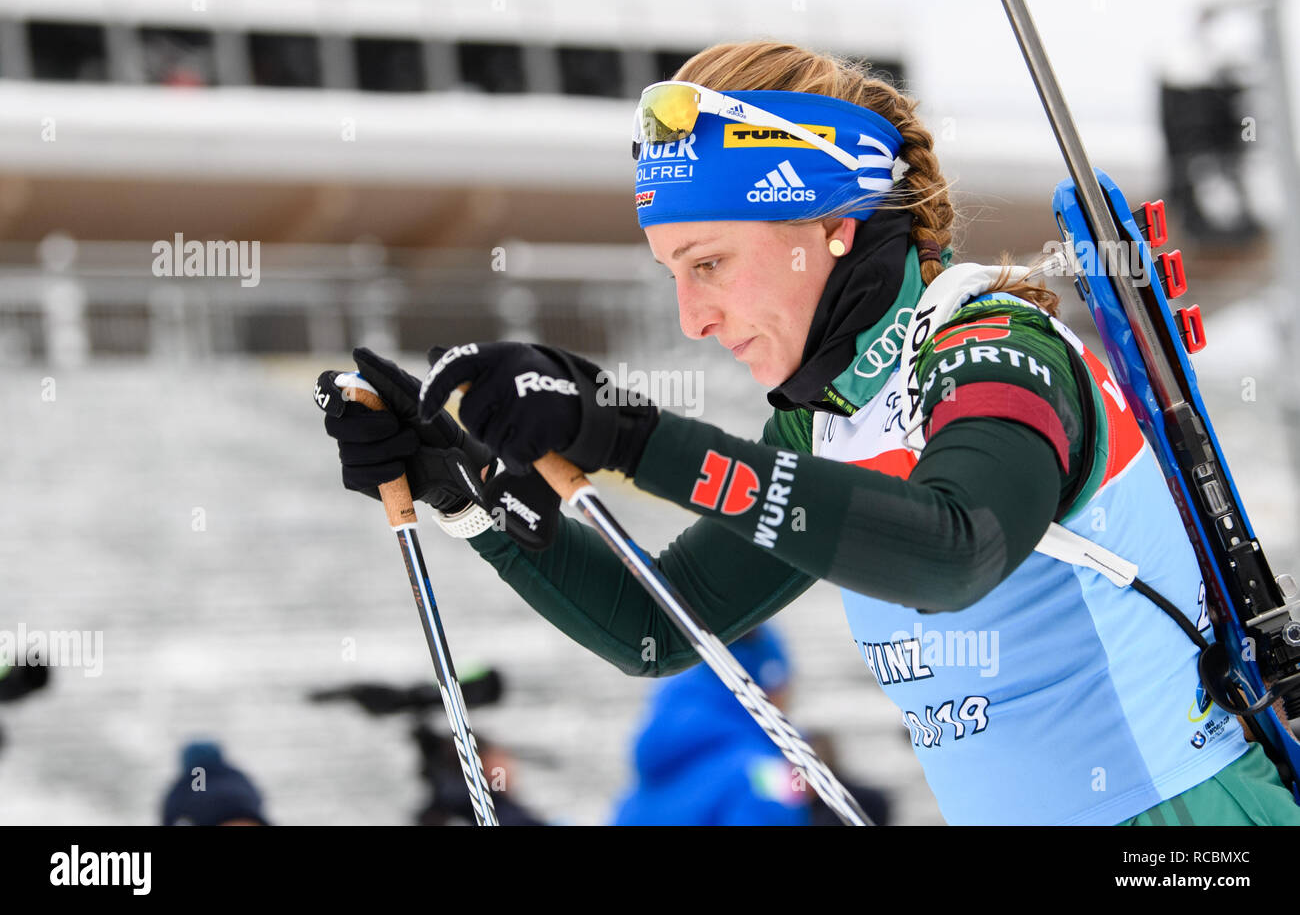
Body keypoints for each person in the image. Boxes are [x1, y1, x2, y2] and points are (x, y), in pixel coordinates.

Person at [319, 40, 1300, 825]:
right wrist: (465, 495)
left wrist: (621, 431)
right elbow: (663, 623)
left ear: (828, 225)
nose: (691, 317)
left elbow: (957, 547)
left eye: (708, 262)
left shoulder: (1001, 348)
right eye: (672, 271)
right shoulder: (824, 427)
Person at [612, 623, 891, 826]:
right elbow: (771, 788)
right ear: (767, 687)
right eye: (784, 686)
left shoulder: (665, 757)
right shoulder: (762, 772)